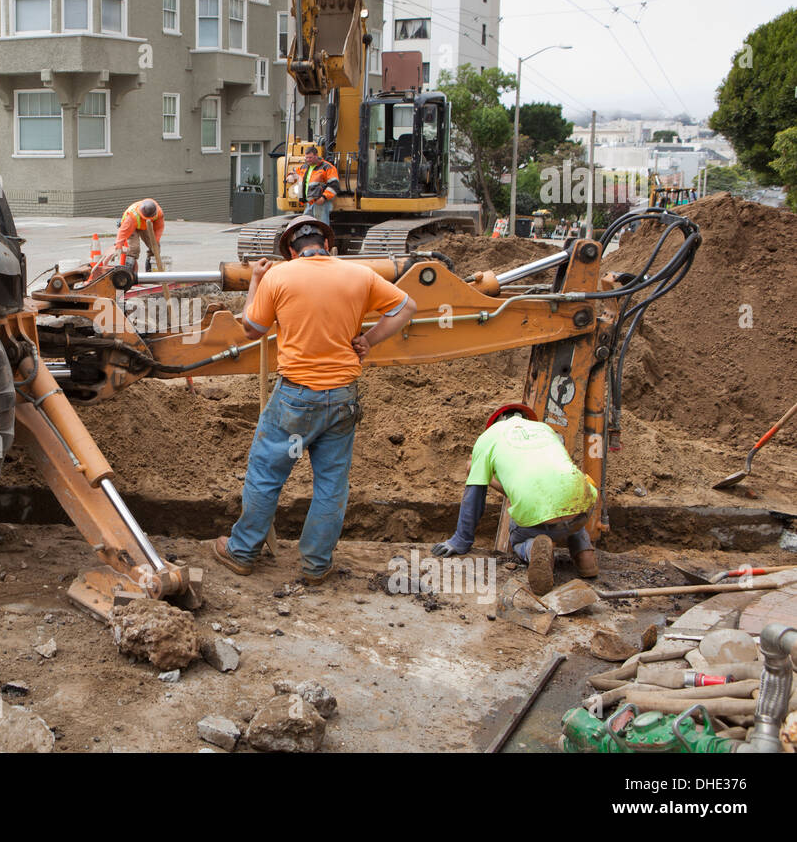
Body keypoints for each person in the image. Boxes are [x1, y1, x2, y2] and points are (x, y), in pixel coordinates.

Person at [212, 215, 416, 584]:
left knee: (267, 473)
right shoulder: (360, 275)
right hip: (342, 400)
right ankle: (316, 565)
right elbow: (407, 307)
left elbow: (251, 329)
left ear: (291, 251)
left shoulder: (279, 276)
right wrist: (369, 340)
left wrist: (256, 280)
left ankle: (241, 552)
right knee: (331, 484)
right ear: (328, 245)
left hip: (296, 401)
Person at [432, 403, 599, 595]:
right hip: (583, 504)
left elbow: (474, 496)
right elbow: (554, 484)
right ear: (525, 419)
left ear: (496, 423)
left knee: (516, 535)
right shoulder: (545, 429)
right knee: (567, 505)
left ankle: (533, 550)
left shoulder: (487, 439)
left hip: (539, 518)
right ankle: (585, 557)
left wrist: (460, 540)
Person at [284, 145, 339, 225]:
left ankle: (324, 237)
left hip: (320, 202)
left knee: (321, 225)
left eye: (310, 157)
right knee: (306, 224)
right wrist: (290, 175)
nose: (308, 160)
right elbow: (295, 172)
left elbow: (334, 185)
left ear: (316, 156)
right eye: (306, 158)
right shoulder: (305, 166)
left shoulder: (327, 167)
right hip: (309, 202)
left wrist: (323, 197)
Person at [112, 199, 165, 267]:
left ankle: (150, 267)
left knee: (155, 248)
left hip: (144, 225)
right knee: (134, 248)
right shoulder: (132, 216)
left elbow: (159, 228)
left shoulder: (158, 212)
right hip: (131, 227)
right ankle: (128, 269)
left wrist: (155, 242)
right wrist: (118, 246)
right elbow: (123, 231)